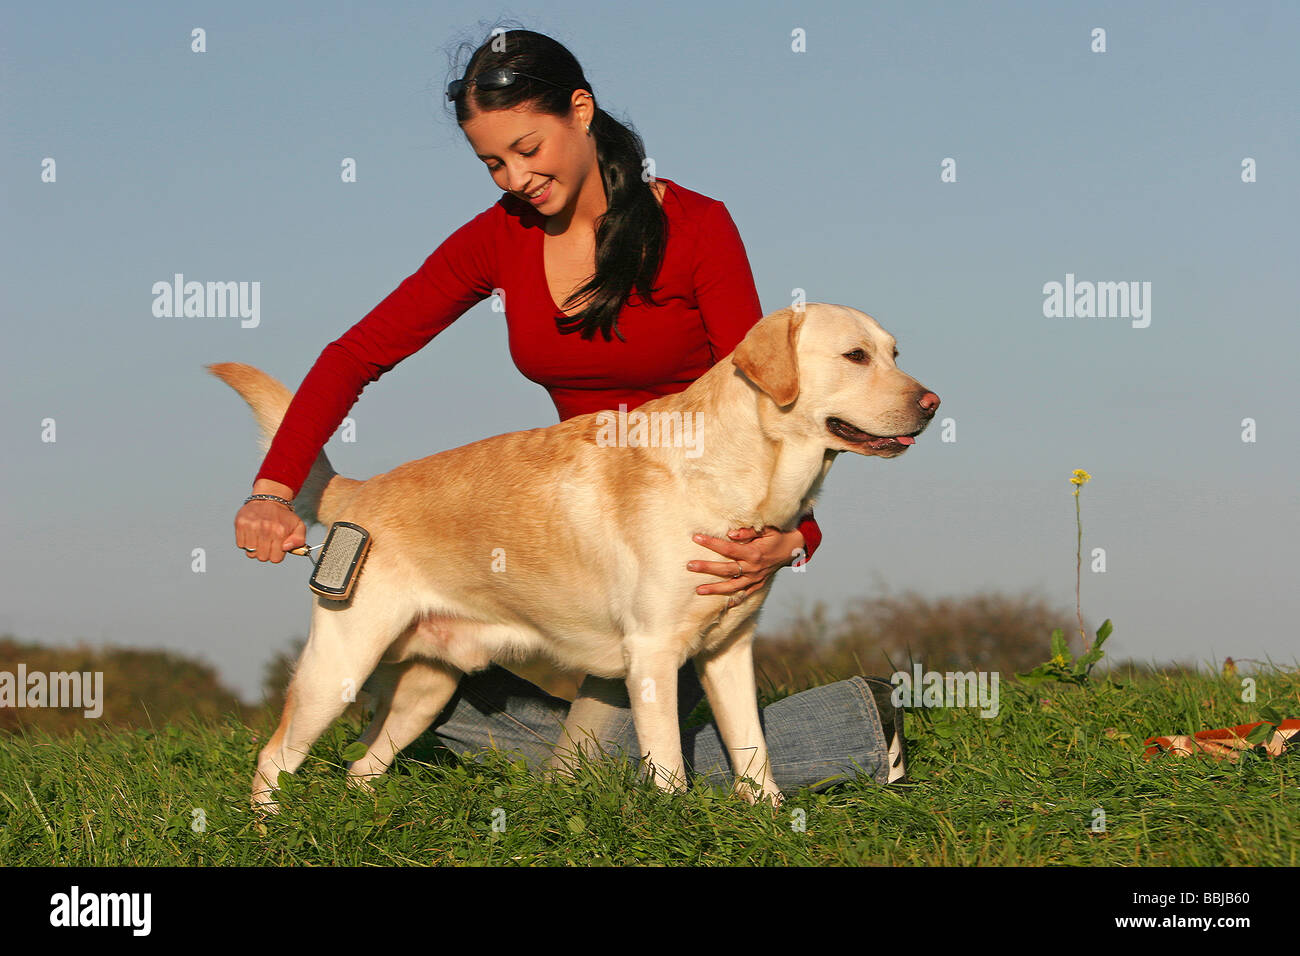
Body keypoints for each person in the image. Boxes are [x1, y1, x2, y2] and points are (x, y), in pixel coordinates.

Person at [234, 27, 904, 793]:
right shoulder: (498, 240)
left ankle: (858, 728)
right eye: (493, 163)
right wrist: (274, 488)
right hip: (578, 528)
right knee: (443, 689)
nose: (516, 177)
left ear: (580, 111)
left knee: (584, 780)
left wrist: (791, 536)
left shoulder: (697, 226)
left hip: (687, 526)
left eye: (528, 148)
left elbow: (772, 391)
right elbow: (357, 354)